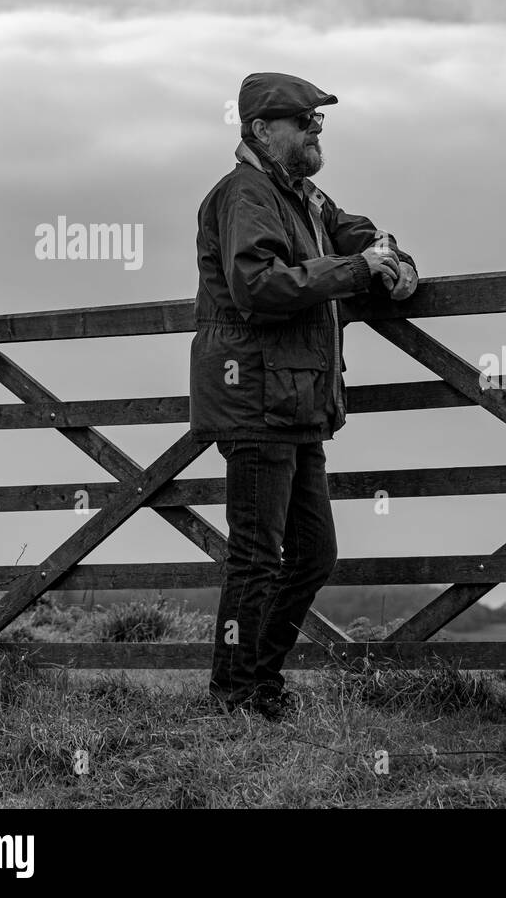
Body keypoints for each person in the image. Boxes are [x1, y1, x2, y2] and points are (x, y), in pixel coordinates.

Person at [190, 71, 419, 719]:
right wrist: (356, 271)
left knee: (312, 554)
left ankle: (258, 684)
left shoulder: (300, 196)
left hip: (295, 401)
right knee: (258, 557)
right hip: (255, 395)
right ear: (262, 130)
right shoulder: (245, 194)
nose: (317, 128)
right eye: (303, 119)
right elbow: (258, 286)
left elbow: (352, 230)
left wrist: (386, 258)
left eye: (319, 119)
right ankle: (236, 695)